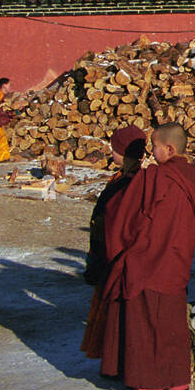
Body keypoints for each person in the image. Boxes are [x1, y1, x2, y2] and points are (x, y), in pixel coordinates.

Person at [100, 123, 195, 390]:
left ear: (169, 149)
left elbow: (122, 216)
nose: (151, 151)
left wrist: (121, 248)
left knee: (144, 322)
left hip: (145, 259)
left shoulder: (152, 178)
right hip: (178, 261)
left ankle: (149, 387)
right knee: (173, 323)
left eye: (154, 145)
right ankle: (177, 387)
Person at [81, 125, 146, 360]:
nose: (110, 154)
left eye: (114, 149)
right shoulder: (122, 179)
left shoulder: (130, 184)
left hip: (115, 257)